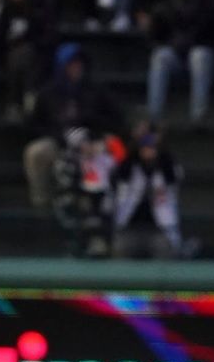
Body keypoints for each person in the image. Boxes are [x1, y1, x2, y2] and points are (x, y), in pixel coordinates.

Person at [23, 43, 122, 208]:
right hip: (59, 141)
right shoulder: (48, 93)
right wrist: (60, 137)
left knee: (114, 149)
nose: (76, 67)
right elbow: (34, 125)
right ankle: (42, 202)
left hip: (91, 143)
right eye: (71, 64)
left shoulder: (96, 91)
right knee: (36, 153)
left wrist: (94, 134)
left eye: (79, 63)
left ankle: (96, 203)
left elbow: (117, 121)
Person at [144, 0, 214, 123]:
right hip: (175, 54)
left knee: (199, 55)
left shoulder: (209, 2)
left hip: (201, 53)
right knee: (160, 56)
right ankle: (153, 115)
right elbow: (155, 36)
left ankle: (199, 115)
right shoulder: (165, 4)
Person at [111, 129, 184, 258]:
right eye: (145, 148)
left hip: (160, 228)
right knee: (120, 249)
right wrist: (134, 143)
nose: (148, 152)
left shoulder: (166, 169)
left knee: (163, 251)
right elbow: (120, 174)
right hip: (130, 226)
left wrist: (162, 145)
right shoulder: (131, 167)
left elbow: (173, 177)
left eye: (151, 148)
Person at [52, 126, 114, 257]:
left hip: (97, 205)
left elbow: (107, 182)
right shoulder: (66, 162)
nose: (89, 146)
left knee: (105, 206)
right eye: (85, 142)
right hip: (73, 204)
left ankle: (98, 245)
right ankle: (75, 247)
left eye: (90, 142)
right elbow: (69, 188)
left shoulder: (100, 159)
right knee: (81, 207)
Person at [0, 0, 57, 120]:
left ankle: (23, 100)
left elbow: (46, 36)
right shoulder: (6, 8)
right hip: (11, 55)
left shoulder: (38, 6)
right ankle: (21, 100)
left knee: (25, 54)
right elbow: (0, 38)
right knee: (18, 56)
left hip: (37, 54)